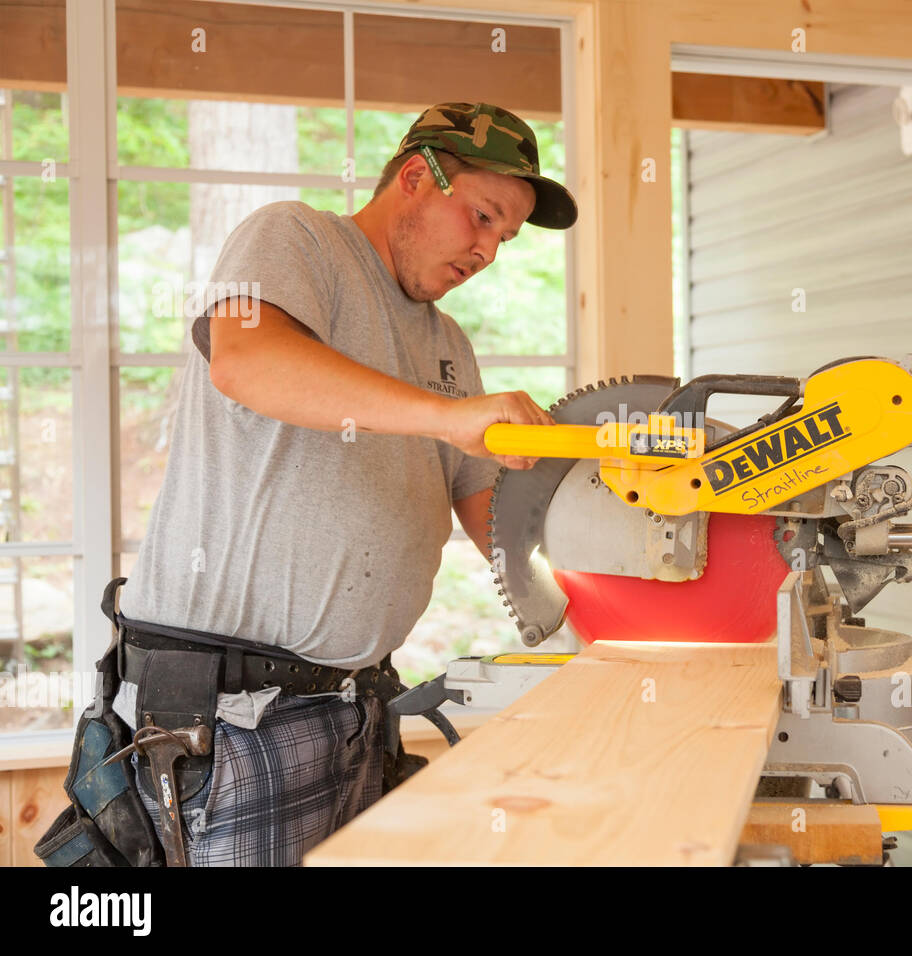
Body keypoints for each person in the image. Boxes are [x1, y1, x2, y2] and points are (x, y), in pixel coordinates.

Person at [53, 103, 575, 867]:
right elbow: (246, 361)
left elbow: (496, 518)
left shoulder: (449, 347)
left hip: (356, 707)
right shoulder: (296, 238)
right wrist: (447, 416)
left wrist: (601, 591)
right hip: (232, 717)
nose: (489, 251)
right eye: (482, 216)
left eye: (505, 236)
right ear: (413, 178)